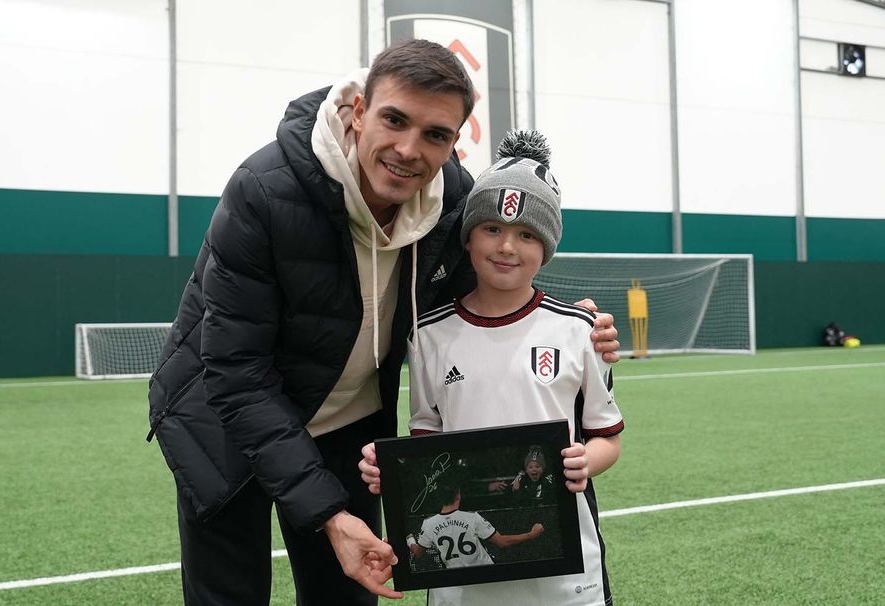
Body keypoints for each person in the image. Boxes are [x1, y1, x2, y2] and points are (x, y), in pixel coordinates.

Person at [147, 39, 621, 606]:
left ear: (454, 143)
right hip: (223, 422)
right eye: (394, 119)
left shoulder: (452, 202)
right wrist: (327, 513)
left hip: (346, 429)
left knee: (347, 595)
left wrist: (572, 322)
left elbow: (487, 286)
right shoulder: (263, 190)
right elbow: (233, 368)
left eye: (436, 135)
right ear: (357, 111)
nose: (408, 149)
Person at [360, 129, 624, 605]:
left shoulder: (579, 330)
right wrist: (400, 474)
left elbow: (607, 436)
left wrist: (589, 461)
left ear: (546, 248)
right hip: (462, 579)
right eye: (492, 229)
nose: (507, 247)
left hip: (564, 571)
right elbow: (428, 441)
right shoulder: (428, 335)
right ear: (468, 237)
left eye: (526, 235)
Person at [409, 479, 544, 570]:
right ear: (458, 495)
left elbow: (418, 552)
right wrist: (531, 534)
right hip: (484, 572)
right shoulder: (472, 518)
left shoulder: (428, 524)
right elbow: (502, 542)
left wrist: (409, 539)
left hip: (456, 578)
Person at [488, 446, 557, 502]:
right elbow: (512, 499)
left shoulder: (548, 480)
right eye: (530, 467)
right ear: (526, 470)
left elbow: (552, 497)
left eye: (537, 466)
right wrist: (515, 490)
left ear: (543, 469)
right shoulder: (521, 479)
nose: (534, 469)